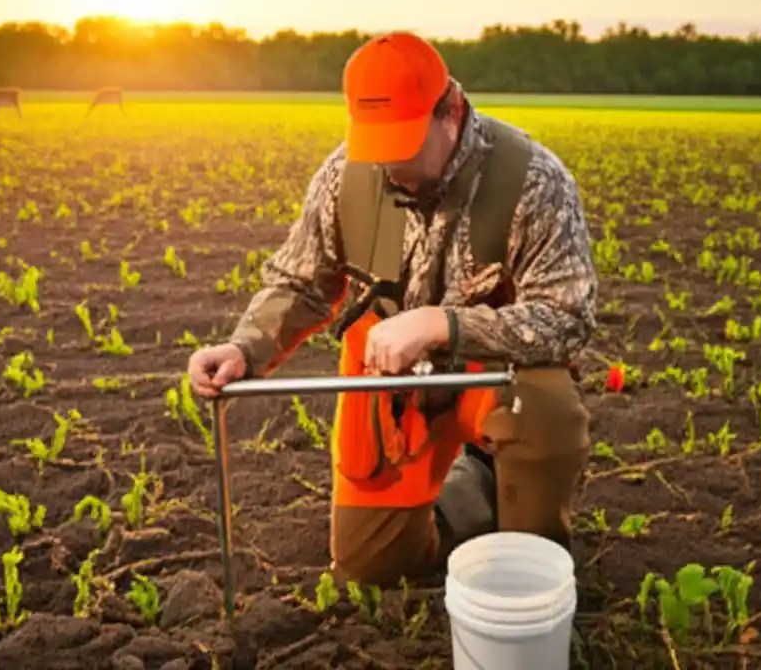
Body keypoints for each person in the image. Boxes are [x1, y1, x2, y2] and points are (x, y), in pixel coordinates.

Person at [187, 31, 598, 587]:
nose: (387, 162)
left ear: (450, 110)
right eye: (375, 142)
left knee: (545, 408)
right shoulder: (344, 177)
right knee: (373, 567)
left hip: (493, 376)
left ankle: (529, 562)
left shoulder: (532, 180)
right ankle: (474, 490)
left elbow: (566, 318)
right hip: (392, 382)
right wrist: (244, 348)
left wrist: (441, 324)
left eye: (403, 142)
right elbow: (301, 283)